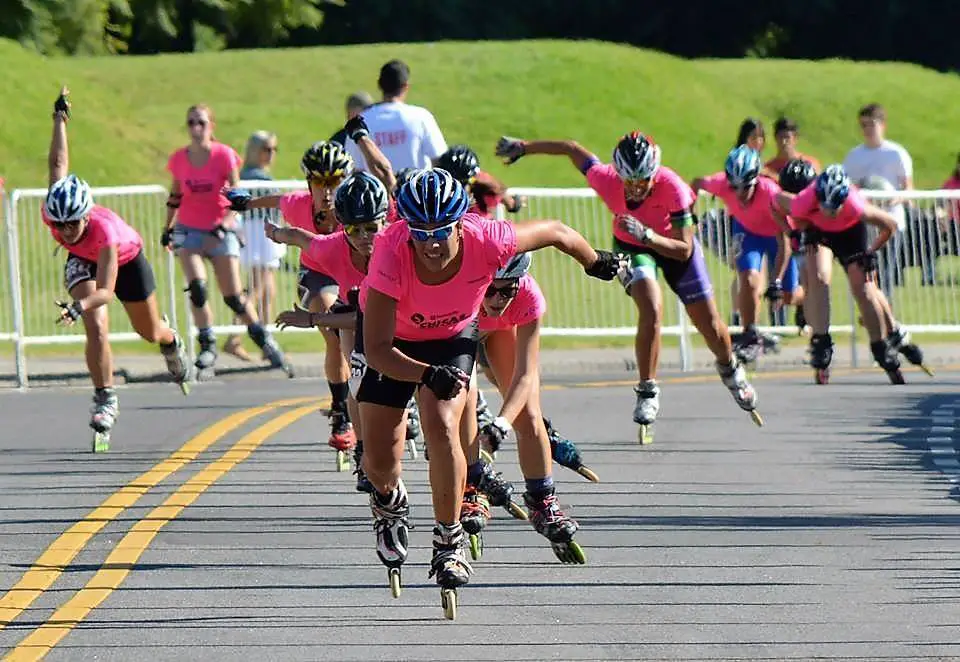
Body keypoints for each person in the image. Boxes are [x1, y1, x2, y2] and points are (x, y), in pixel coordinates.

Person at [356, 169, 623, 617]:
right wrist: (424, 373)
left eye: (441, 231)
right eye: (420, 232)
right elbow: (380, 350)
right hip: (394, 344)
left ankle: (448, 537)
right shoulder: (390, 249)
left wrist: (593, 260)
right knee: (381, 464)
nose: (432, 244)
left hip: (452, 337)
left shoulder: (490, 239)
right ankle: (389, 503)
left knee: (442, 425)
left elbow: (556, 231)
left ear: (461, 223)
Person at [495, 131, 762, 444]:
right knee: (651, 307)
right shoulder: (606, 179)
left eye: (643, 181)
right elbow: (571, 148)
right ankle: (647, 388)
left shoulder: (672, 186)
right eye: (628, 181)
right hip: (632, 247)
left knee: (710, 326)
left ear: (654, 173)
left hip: (672, 246)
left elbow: (685, 249)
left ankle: (730, 369)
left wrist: (648, 235)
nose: (635, 188)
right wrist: (524, 148)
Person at [230, 116, 394, 451]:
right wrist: (247, 204)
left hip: (355, 272)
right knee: (335, 330)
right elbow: (276, 201)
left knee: (371, 332)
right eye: (320, 182)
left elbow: (386, 180)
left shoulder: (358, 204)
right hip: (318, 272)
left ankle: (383, 396)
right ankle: (341, 409)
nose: (329, 190)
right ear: (309, 183)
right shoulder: (299, 204)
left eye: (336, 180)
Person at [44, 87, 190, 452]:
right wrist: (60, 118)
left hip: (123, 262)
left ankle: (171, 340)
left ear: (85, 215)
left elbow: (106, 291)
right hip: (83, 260)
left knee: (149, 331)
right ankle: (105, 397)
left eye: (71, 225)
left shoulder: (105, 230)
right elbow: (58, 164)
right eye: (59, 226)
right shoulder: (56, 209)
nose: (63, 231)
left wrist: (77, 306)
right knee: (97, 326)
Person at [433, 143, 588, 475]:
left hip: (497, 249)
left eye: (508, 291)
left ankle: (541, 490)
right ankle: (472, 480)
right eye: (492, 290)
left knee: (523, 407)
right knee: (465, 400)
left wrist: (503, 423)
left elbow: (526, 375)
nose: (500, 298)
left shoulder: (526, 292)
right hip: (464, 306)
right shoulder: (447, 210)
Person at [266, 172, 389, 475]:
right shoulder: (331, 247)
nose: (363, 238)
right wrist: (275, 233)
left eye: (371, 228)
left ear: (385, 222)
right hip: (355, 309)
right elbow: (298, 236)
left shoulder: (400, 245)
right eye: (353, 229)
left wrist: (312, 319)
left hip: (396, 311)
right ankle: (361, 449)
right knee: (357, 375)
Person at [162, 104, 289, 378]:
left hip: (220, 229)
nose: (196, 128)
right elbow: (175, 195)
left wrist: (227, 223)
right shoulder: (180, 159)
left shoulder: (223, 156)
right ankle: (207, 346)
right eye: (191, 122)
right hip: (190, 229)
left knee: (233, 296)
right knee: (197, 288)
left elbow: (237, 197)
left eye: (202, 122)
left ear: (212, 126)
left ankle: (264, 341)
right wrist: (167, 227)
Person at [775, 163, 929, 383]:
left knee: (864, 289)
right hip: (819, 233)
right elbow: (776, 202)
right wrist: (793, 232)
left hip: (851, 235)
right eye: (823, 205)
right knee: (818, 277)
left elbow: (890, 226)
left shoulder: (856, 205)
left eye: (833, 207)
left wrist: (871, 251)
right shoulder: (803, 202)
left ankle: (880, 344)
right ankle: (821, 341)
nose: (828, 211)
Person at [692, 146, 802, 363]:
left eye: (745, 187)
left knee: (787, 296)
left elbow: (785, 243)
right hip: (748, 232)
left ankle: (804, 302)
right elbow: (696, 183)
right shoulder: (721, 184)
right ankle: (750, 334)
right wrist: (689, 214)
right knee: (749, 279)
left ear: (756, 180)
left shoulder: (771, 194)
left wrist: (777, 281)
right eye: (734, 187)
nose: (739, 193)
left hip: (776, 237)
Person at [222, 130, 286, 361]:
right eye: (266, 149)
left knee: (268, 290)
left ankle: (264, 342)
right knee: (258, 288)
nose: (271, 154)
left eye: (273, 149)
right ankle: (235, 338)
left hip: (259, 231)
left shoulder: (252, 175)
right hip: (259, 232)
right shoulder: (254, 176)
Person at [843, 103, 913, 298]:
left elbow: (909, 189)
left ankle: (887, 320)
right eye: (863, 125)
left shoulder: (896, 153)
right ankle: (872, 316)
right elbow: (848, 188)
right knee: (865, 275)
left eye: (871, 124)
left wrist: (894, 199)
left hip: (890, 222)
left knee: (886, 275)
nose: (867, 129)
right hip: (864, 223)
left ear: (882, 125)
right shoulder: (854, 156)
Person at [345, 59, 447, 171]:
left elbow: (351, 168)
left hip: (375, 188)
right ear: (406, 86)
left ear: (379, 84)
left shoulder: (360, 122)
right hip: (415, 187)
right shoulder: (421, 117)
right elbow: (440, 161)